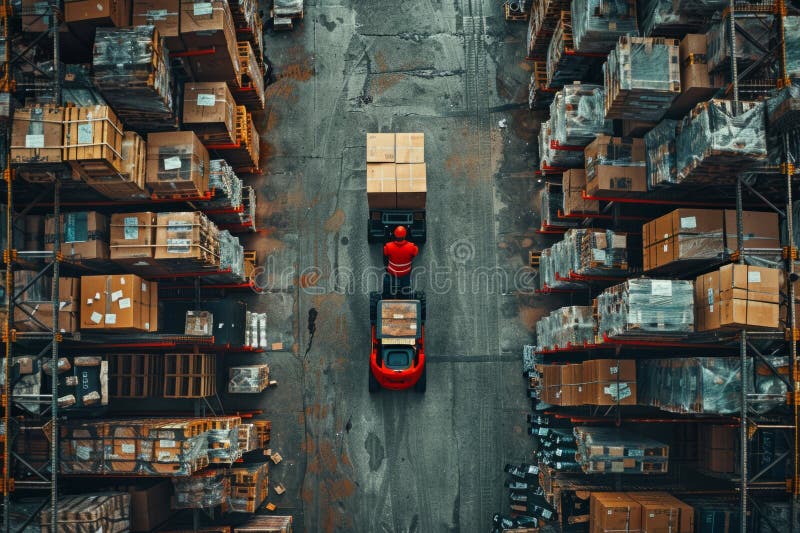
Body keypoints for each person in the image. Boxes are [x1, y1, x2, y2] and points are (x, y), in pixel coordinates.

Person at [383, 225, 418, 297]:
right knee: (406, 284)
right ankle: (405, 293)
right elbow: (415, 253)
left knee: (387, 279)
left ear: (395, 235)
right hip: (405, 272)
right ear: (405, 236)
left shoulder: (388, 246)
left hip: (392, 272)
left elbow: (385, 254)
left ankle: (386, 294)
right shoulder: (411, 247)